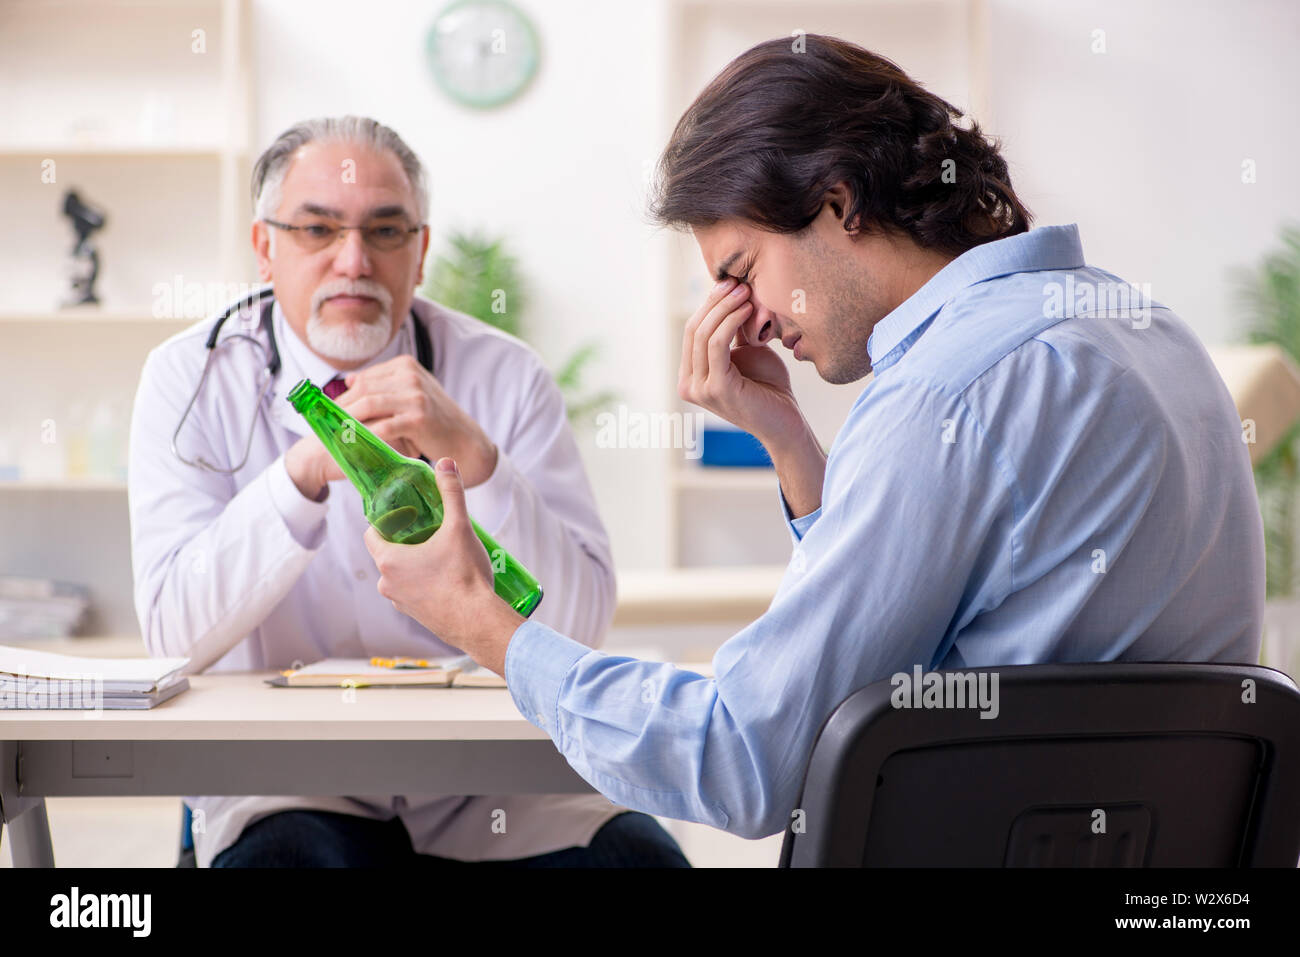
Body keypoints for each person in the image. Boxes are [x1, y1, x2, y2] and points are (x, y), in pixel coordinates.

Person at [363, 36, 1266, 840]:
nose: (738, 321)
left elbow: (741, 758)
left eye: (740, 270)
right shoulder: (1146, 329)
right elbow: (966, 590)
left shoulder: (944, 393)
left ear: (839, 203)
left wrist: (483, 622)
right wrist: (790, 443)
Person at [128, 115, 688, 867]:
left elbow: (581, 627)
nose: (352, 261)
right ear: (266, 248)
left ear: (420, 253)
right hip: (293, 783)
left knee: (639, 862)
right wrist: (301, 476)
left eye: (385, 232)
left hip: (495, 787)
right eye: (318, 229)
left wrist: (477, 460)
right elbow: (172, 633)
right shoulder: (189, 380)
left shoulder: (503, 374)